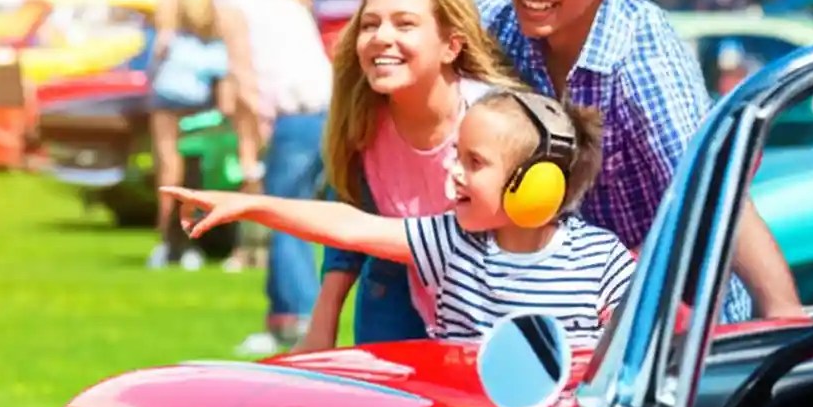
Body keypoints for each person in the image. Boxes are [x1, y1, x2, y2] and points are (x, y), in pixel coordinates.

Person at [476, 0, 802, 322]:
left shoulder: (642, 59)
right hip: (557, 318)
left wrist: (783, 314)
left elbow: (711, 194)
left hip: (670, 330)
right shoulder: (496, 19)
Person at [164, 89, 635, 349]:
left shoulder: (600, 260)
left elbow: (643, 346)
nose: (453, 171)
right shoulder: (450, 244)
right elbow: (348, 225)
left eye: (474, 162)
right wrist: (250, 205)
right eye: (456, 155)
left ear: (537, 184)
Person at [297, 0, 523, 353]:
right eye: (370, 24)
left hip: (492, 295)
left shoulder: (500, 119)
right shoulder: (362, 122)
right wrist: (322, 323)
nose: (382, 37)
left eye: (405, 24)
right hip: (398, 287)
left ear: (451, 45)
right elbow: (349, 222)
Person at [212, 0, 334, 355]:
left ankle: (294, 321)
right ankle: (292, 315)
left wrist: (253, 140)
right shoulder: (287, 0)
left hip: (291, 117)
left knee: (283, 218)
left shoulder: (235, 6)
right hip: (325, 112)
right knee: (299, 216)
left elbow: (243, 75)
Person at [146, 0, 228, 270]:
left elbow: (163, 39)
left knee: (168, 165)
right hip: (202, 87)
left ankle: (167, 240)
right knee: (195, 170)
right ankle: (191, 238)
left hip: (170, 87)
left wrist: (151, 70)